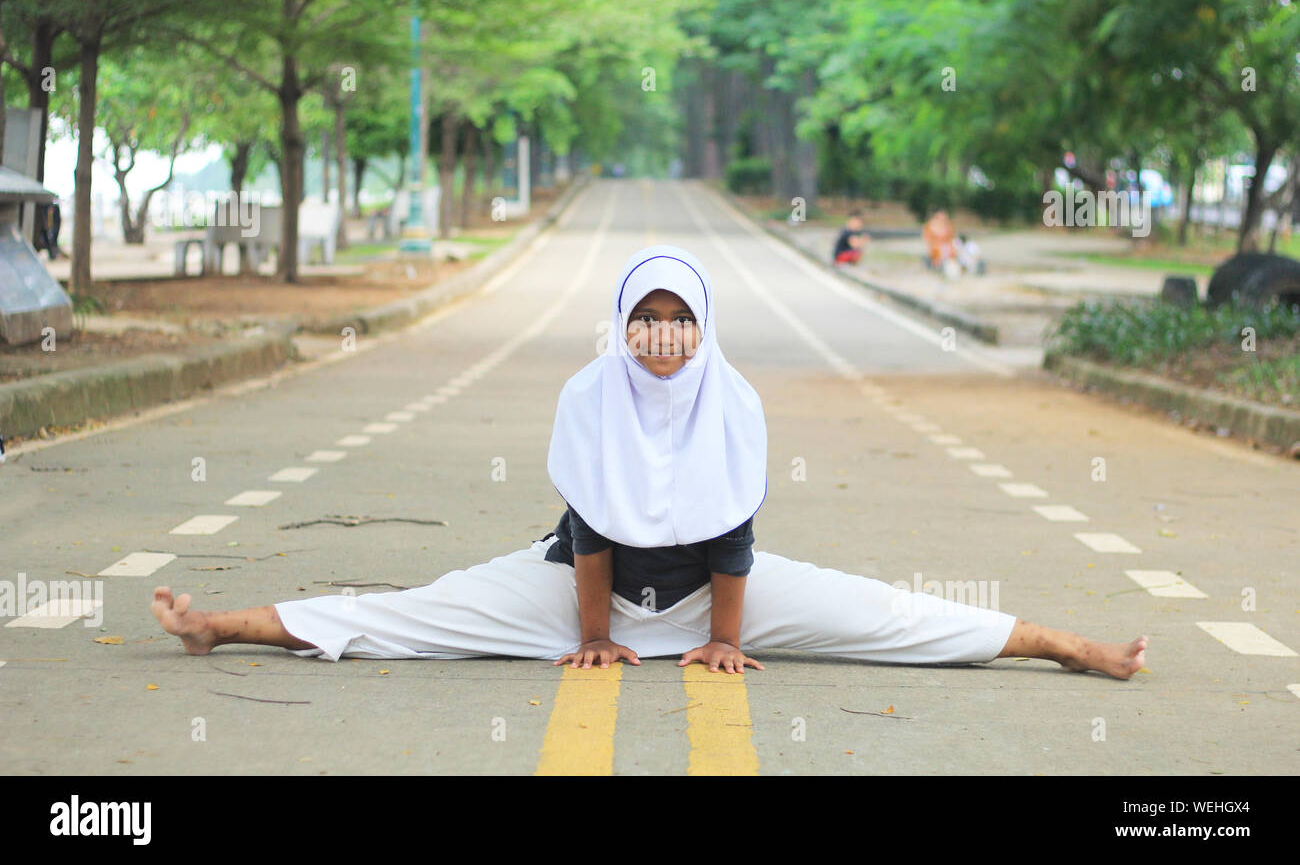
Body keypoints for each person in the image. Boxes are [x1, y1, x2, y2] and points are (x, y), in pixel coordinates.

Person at [151, 244, 1148, 679]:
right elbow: (589, 526)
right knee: (408, 616)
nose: (662, 333)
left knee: (890, 616)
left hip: (713, 594)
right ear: (623, 322)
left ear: (702, 325)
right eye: (645, 315)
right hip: (577, 591)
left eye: (679, 317)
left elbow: (734, 534)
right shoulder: (590, 392)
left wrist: (722, 641)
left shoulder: (734, 397)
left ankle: (1066, 646)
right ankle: (218, 628)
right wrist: (594, 635)